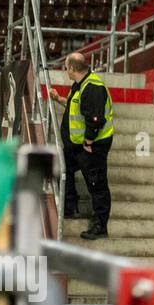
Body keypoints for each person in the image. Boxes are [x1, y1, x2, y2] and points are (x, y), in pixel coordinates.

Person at [60, 52, 115, 240]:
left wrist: (88, 141)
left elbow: (95, 119)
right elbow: (77, 109)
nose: (66, 71)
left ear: (73, 69)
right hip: (77, 146)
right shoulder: (80, 85)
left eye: (66, 67)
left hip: (92, 146)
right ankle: (70, 207)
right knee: (65, 170)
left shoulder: (92, 86)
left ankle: (100, 225)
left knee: (96, 184)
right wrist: (58, 99)